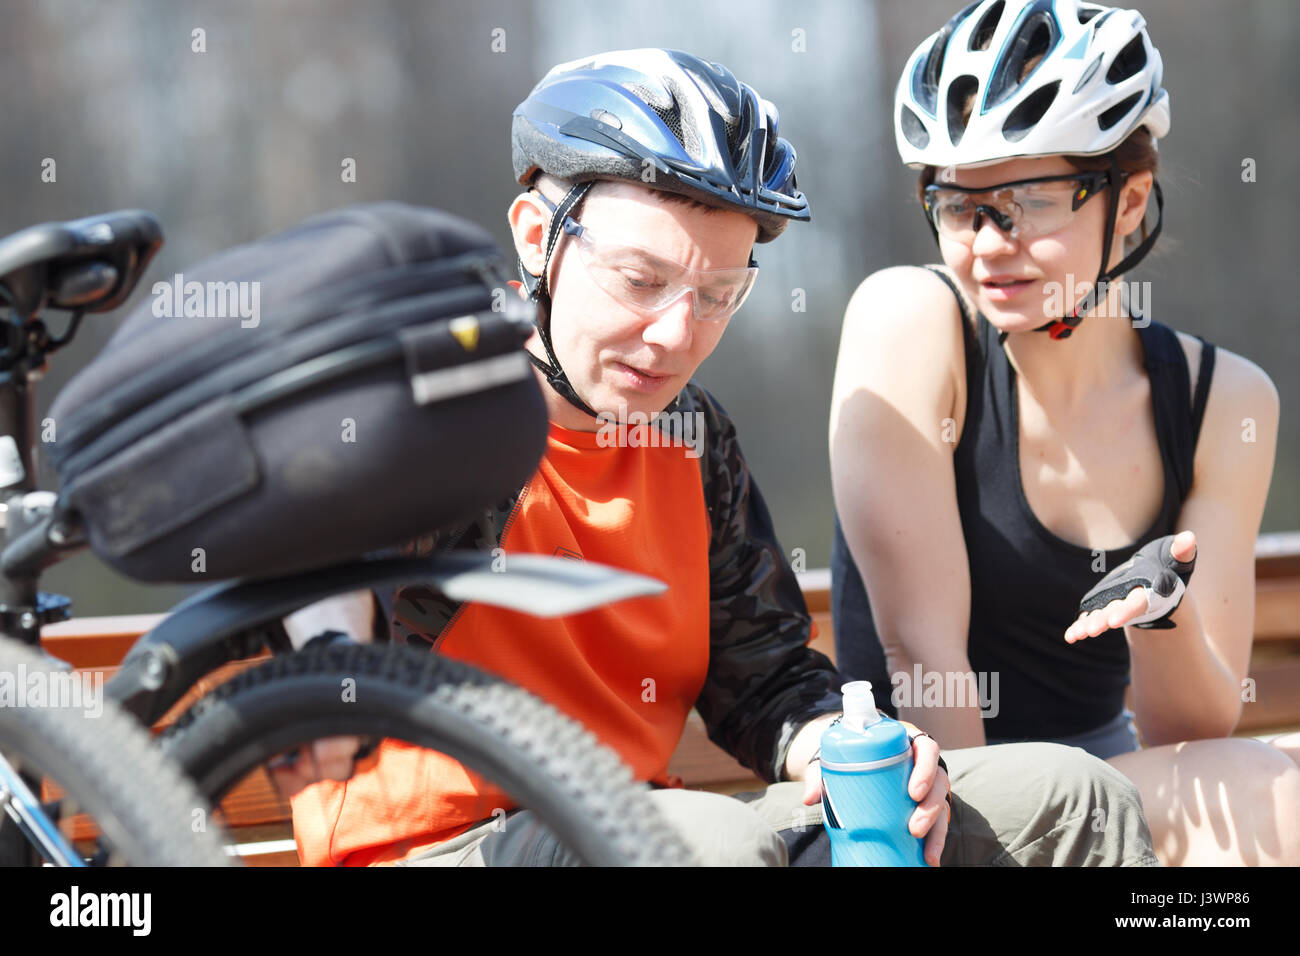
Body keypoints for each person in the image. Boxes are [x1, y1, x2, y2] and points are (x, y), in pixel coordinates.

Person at [276, 47, 1158, 867]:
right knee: (713, 843)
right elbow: (323, 567)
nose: (675, 335)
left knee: (1070, 796)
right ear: (537, 238)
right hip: (431, 848)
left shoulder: (691, 439)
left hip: (650, 825)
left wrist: (858, 754)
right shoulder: (440, 408)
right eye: (640, 280)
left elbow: (766, 681)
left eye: (717, 294)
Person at [829, 0, 1300, 866]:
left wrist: (1160, 613)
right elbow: (919, 648)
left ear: (1129, 202)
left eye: (1030, 202)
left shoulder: (1224, 397)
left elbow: (1193, 728)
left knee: (1281, 798)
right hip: (921, 799)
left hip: (1108, 778)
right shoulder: (909, 320)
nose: (986, 242)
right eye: (957, 204)